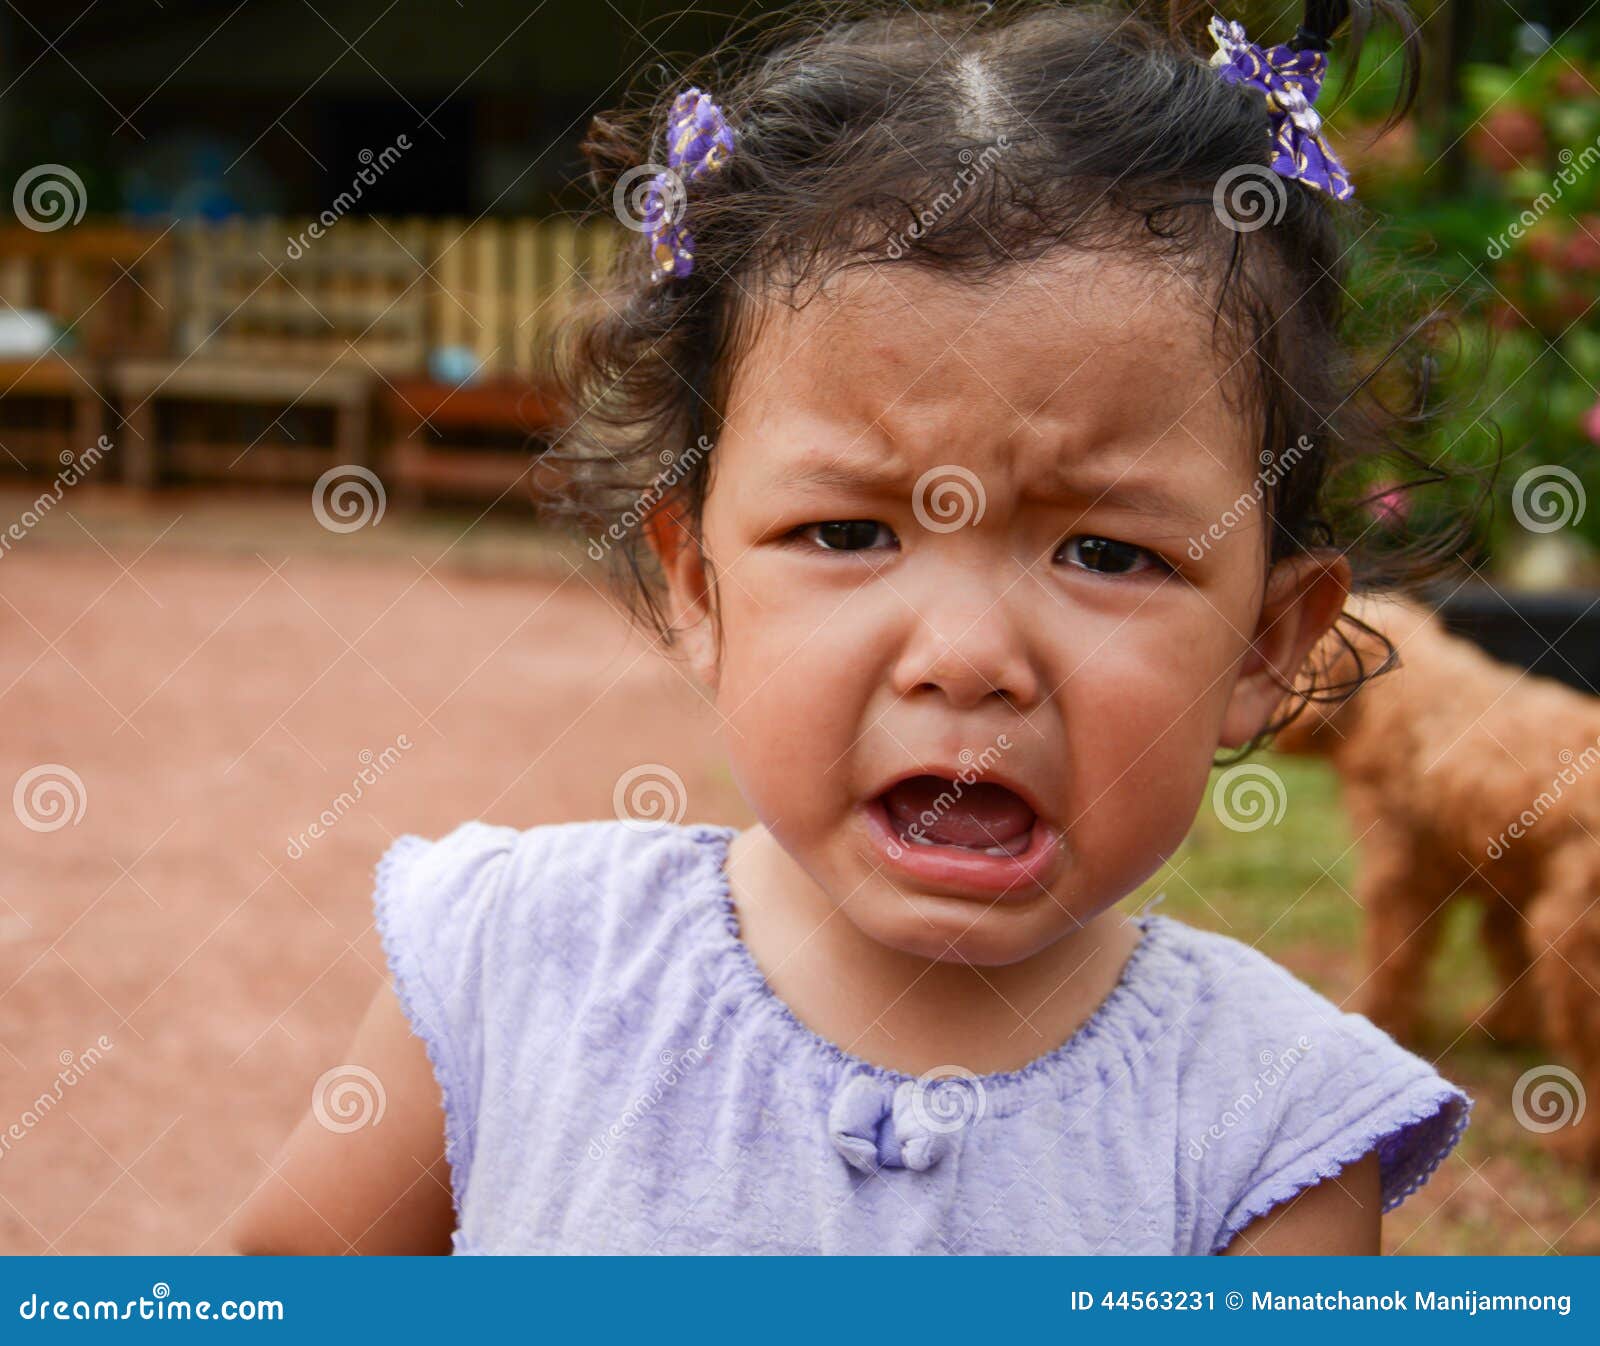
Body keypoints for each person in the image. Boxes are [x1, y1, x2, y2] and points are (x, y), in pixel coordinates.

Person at [234, 0, 1473, 1255]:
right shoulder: (514, 965)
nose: (968, 656)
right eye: (848, 532)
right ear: (701, 584)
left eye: (1105, 551)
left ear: (1268, 645)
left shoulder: (1275, 1135)